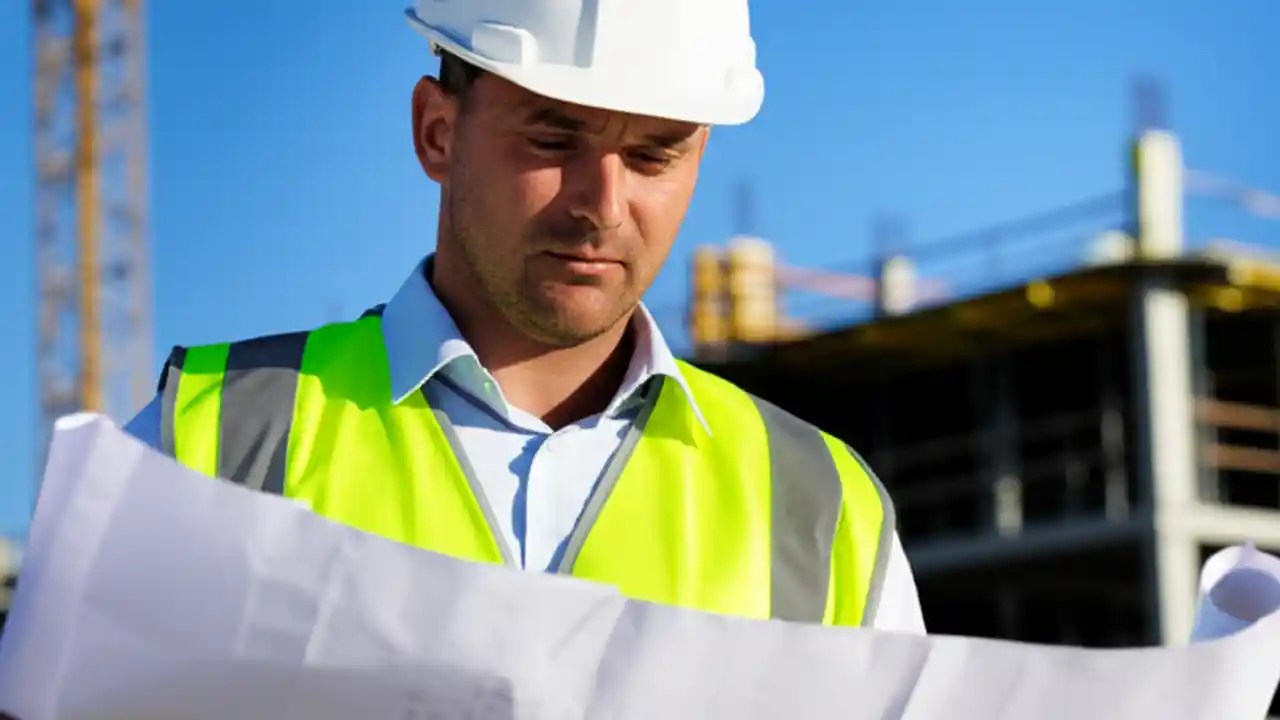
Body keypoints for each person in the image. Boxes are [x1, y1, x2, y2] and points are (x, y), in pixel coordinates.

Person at [124, 0, 925, 633]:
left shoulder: (825, 513)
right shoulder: (208, 442)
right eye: (553, 139)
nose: (601, 207)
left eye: (654, 155)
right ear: (437, 132)